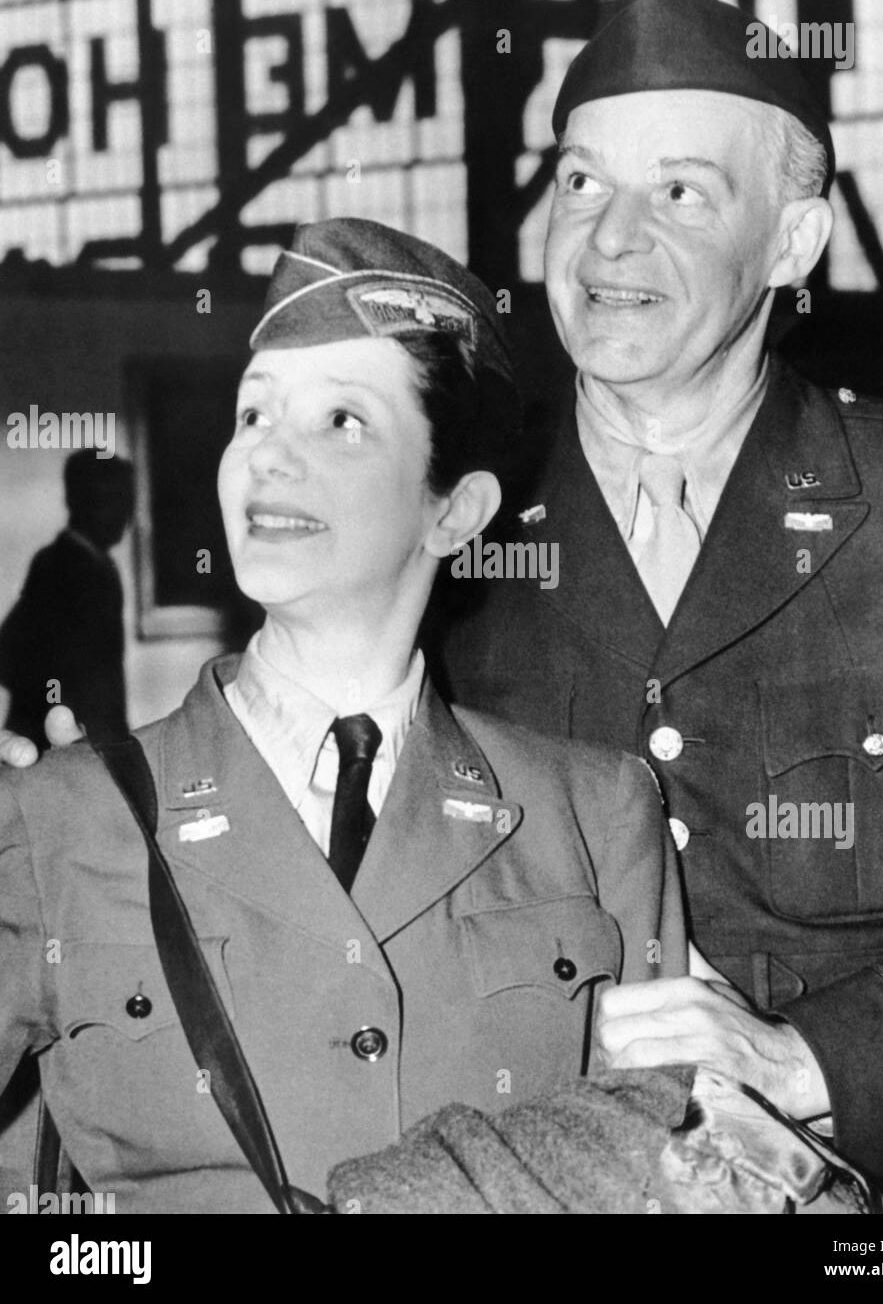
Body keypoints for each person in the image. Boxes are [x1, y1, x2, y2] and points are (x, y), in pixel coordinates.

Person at [430, 0, 883, 1197]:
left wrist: (817, 1062)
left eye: (680, 191)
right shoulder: (442, 541)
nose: (609, 235)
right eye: (579, 180)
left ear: (791, 237)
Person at [0, 218, 684, 1213]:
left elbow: (659, 1153)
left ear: (453, 510)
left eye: (341, 421)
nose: (267, 457)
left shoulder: (593, 813)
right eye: (253, 414)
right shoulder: (55, 816)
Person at [0, 450, 134, 751]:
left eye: (125, 500)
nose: (123, 514)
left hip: (90, 740)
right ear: (77, 502)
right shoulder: (57, 565)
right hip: (54, 742)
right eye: (108, 500)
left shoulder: (101, 567)